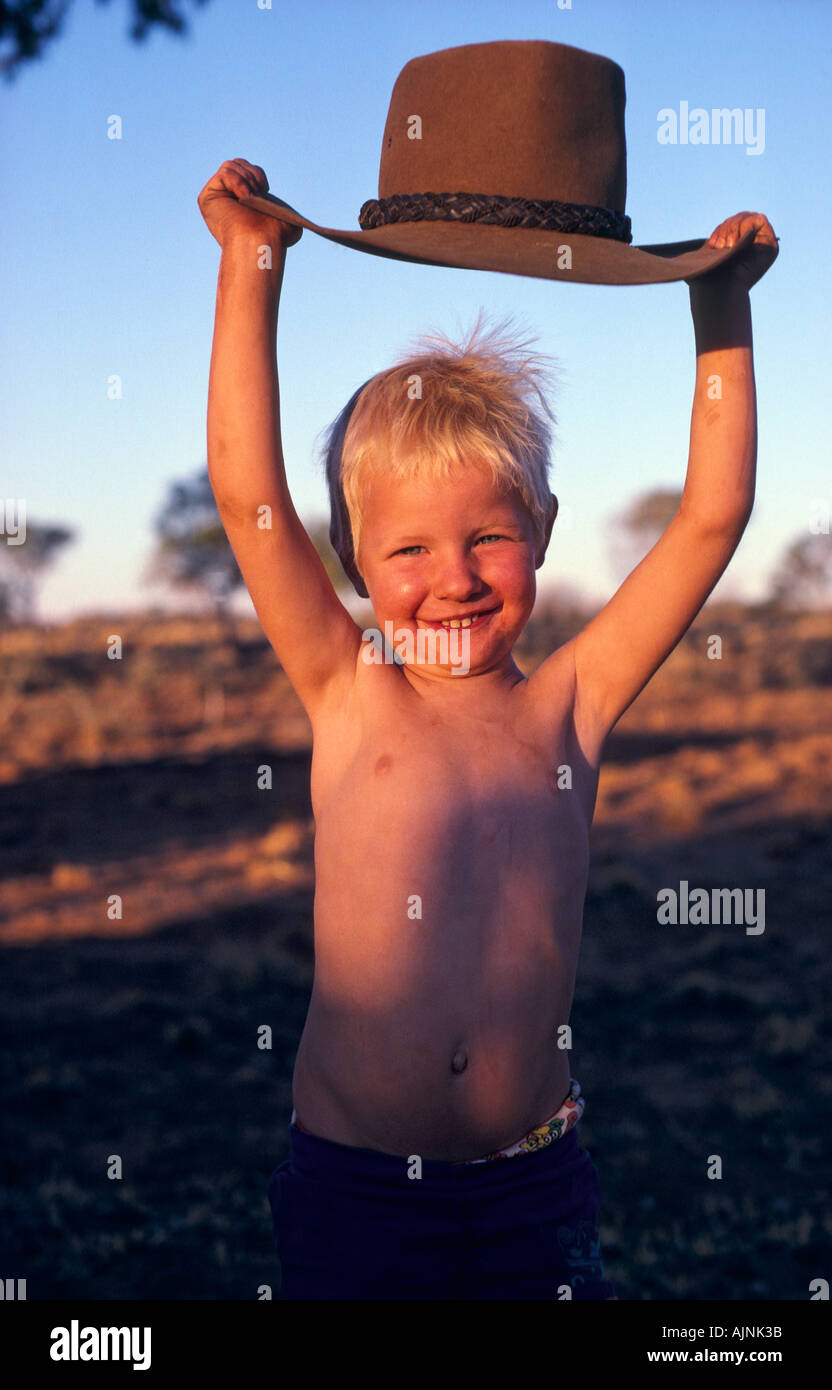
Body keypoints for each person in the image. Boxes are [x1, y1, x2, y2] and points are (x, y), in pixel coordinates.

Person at [198, 157, 778, 1299]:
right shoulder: (345, 684)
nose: (452, 580)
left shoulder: (573, 701)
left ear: (546, 529)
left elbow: (712, 518)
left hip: (531, 1187)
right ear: (353, 558)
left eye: (489, 539)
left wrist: (717, 302)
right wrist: (249, 262)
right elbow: (243, 494)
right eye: (408, 549)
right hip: (358, 1190)